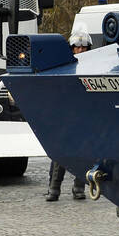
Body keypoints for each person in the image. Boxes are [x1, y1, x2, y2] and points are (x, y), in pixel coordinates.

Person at [45, 30, 93, 201]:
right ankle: (54, 189)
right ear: (72, 48)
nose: (80, 51)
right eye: (77, 47)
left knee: (84, 152)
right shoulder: (64, 66)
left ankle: (79, 188)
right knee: (61, 153)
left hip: (85, 115)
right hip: (66, 115)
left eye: (84, 47)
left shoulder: (94, 67)